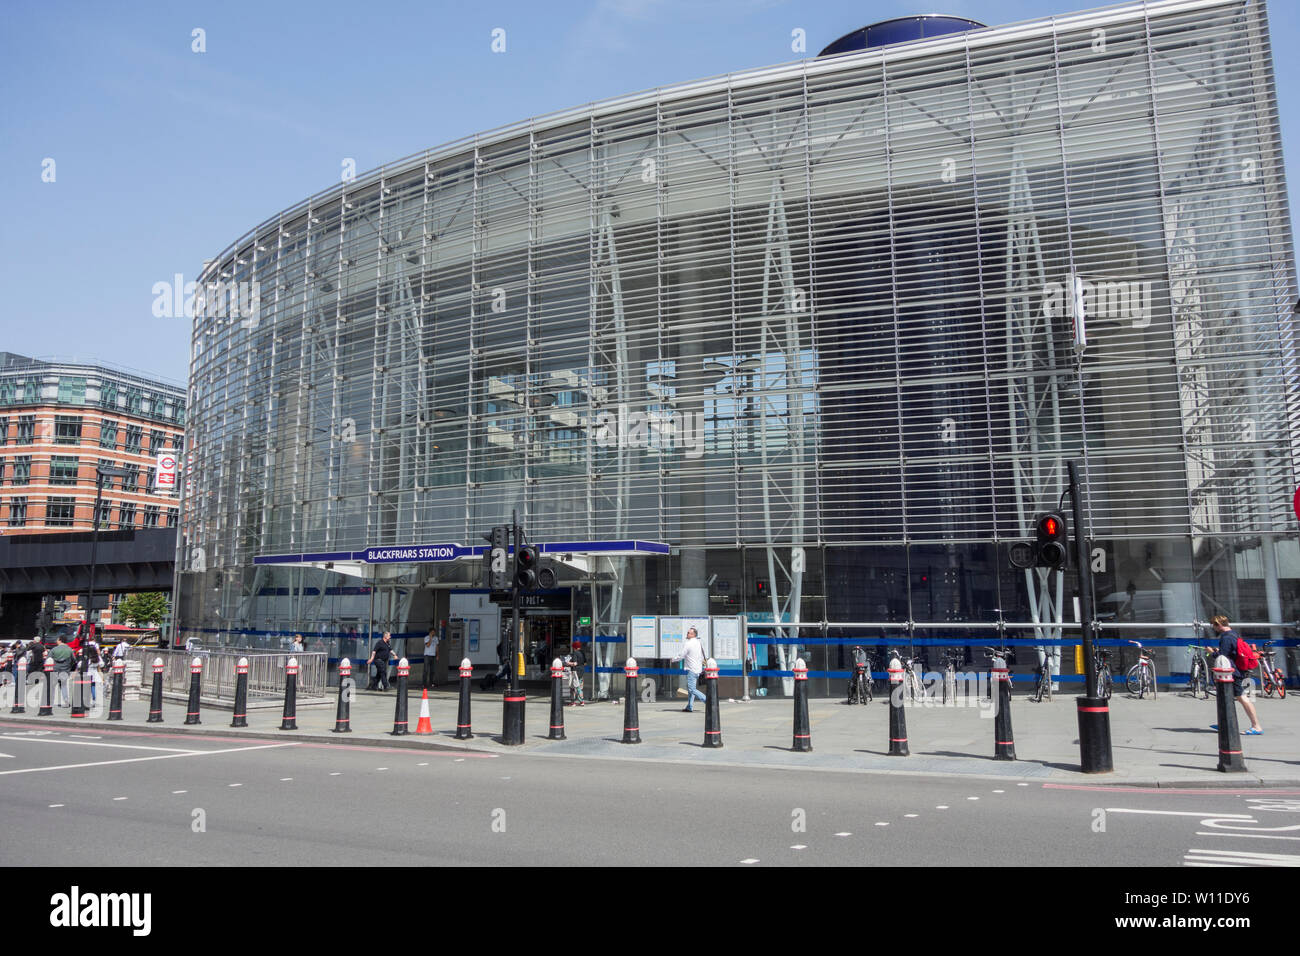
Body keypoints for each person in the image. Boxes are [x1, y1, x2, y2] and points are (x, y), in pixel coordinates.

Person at [1210, 615, 1263, 735]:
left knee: (1242, 697)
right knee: (1226, 697)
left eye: (1214, 625)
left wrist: (1211, 653)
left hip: (1233, 672)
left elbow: (1223, 655)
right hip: (1236, 670)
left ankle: (1256, 726)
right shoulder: (1234, 634)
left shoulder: (1226, 637)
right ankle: (1224, 723)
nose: (1214, 628)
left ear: (1218, 624)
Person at [671, 626, 707, 713]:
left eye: (688, 633)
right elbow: (702, 656)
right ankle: (689, 707)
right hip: (698, 669)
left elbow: (682, 655)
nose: (687, 634)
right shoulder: (698, 642)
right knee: (692, 689)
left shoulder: (688, 643)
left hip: (691, 669)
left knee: (691, 689)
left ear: (693, 634)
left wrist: (673, 659)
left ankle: (707, 700)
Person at [48, 636, 74, 707]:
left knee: (52, 687)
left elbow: (48, 659)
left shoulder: (54, 649)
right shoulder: (69, 650)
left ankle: (50, 702)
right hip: (65, 670)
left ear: (60, 640)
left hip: (55, 670)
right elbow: (74, 660)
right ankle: (66, 702)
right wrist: (68, 666)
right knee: (63, 686)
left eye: (57, 639)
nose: (56, 641)